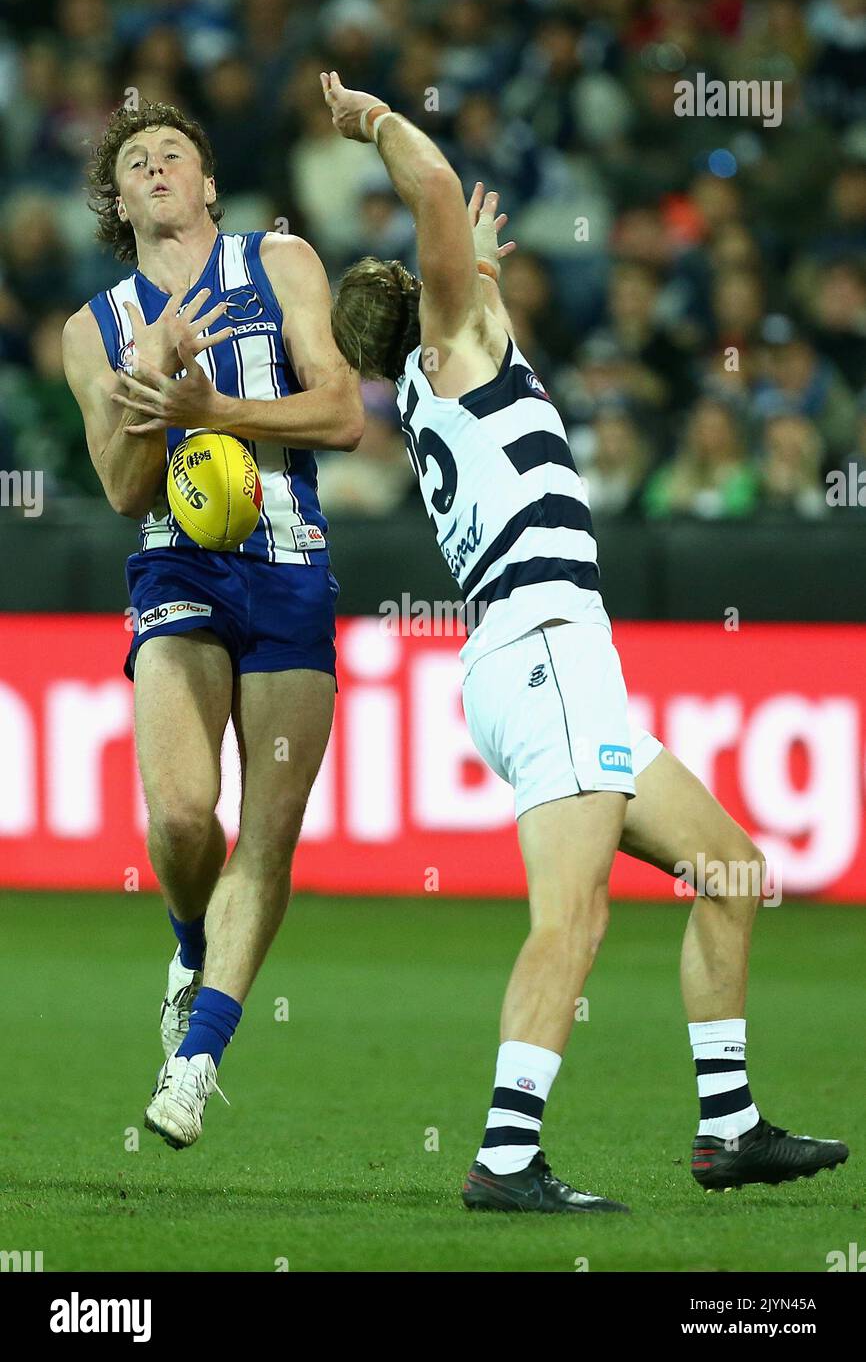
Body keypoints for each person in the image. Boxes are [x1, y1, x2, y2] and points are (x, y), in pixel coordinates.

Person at [321, 70, 849, 1213]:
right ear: (434, 294)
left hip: (549, 656)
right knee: (573, 917)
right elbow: (431, 195)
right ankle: (505, 1157)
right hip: (544, 643)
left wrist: (483, 263)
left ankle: (728, 1127)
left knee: (729, 872)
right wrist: (374, 120)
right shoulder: (452, 338)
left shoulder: (431, 384)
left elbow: (460, 262)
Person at [62, 101, 363, 1149]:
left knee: (267, 836)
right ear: (117, 202)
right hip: (176, 567)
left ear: (206, 187)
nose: (151, 165)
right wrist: (149, 385)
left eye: (171, 153)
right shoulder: (90, 331)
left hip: (289, 566)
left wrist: (208, 408)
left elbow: (341, 415)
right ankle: (189, 944)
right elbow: (118, 487)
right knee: (186, 820)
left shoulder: (278, 262)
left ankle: (195, 1062)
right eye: (132, 160)